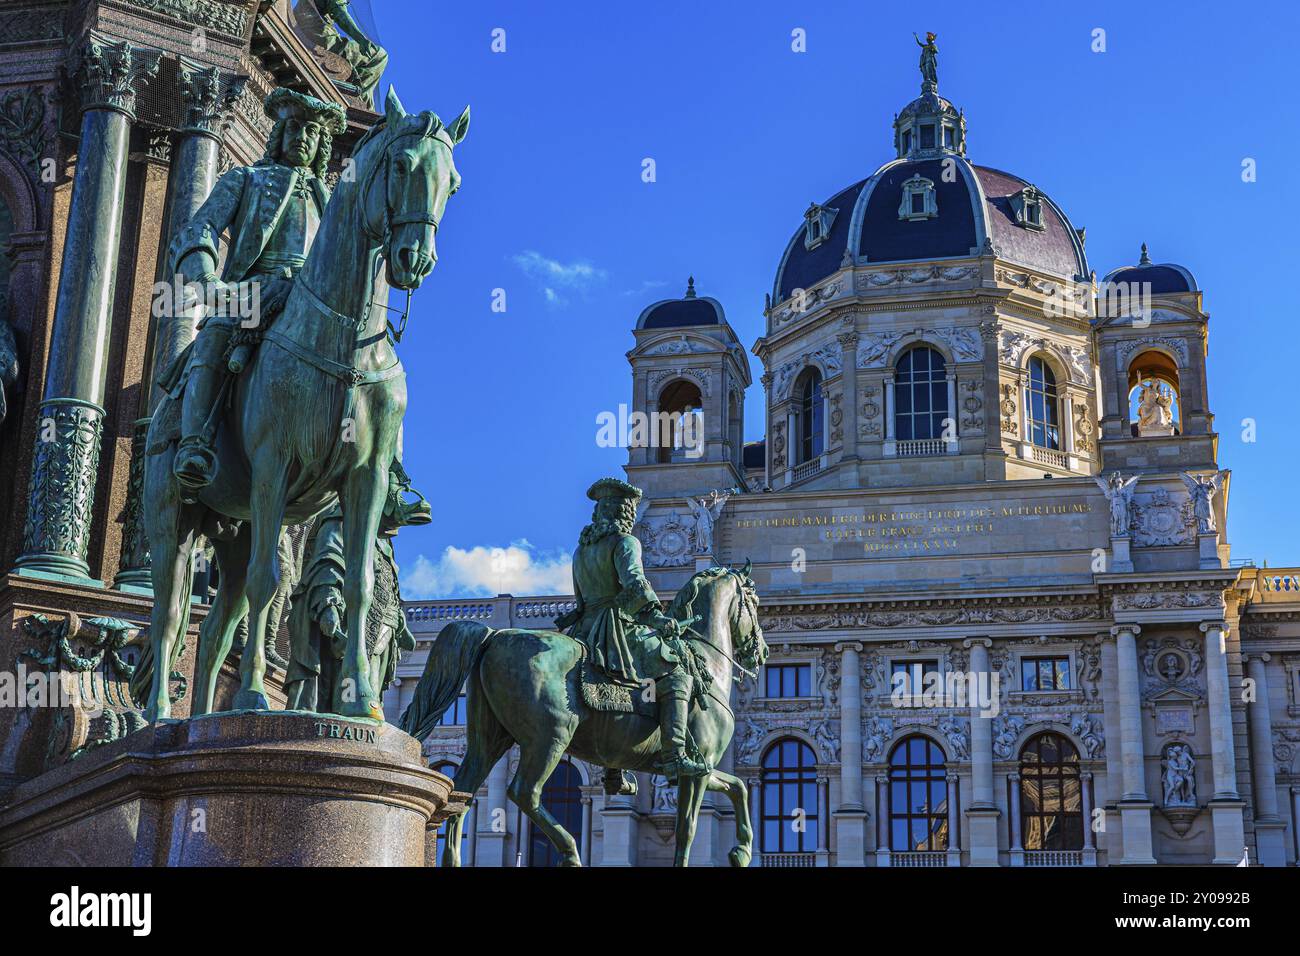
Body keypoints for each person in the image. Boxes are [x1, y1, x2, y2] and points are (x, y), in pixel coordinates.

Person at [162, 88, 346, 493]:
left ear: (321, 145)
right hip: (254, 289)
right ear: (279, 134)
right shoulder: (246, 179)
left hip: (312, 297)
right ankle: (195, 444)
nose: (302, 137)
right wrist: (207, 279)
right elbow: (200, 229)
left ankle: (383, 475)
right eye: (295, 127)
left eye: (312, 133)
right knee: (213, 339)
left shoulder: (331, 200)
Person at [554, 477, 709, 786]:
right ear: (626, 512)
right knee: (677, 673)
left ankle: (614, 767)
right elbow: (635, 584)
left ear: (600, 513)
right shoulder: (626, 543)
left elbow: (581, 600)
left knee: (622, 687)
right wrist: (657, 617)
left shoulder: (581, 551)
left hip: (583, 630)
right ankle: (675, 755)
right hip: (616, 628)